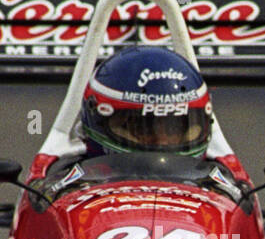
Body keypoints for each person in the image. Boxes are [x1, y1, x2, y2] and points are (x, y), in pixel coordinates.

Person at [78, 45, 214, 156]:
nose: (163, 142)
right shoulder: (71, 187)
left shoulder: (222, 186)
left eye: (173, 129)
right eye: (145, 130)